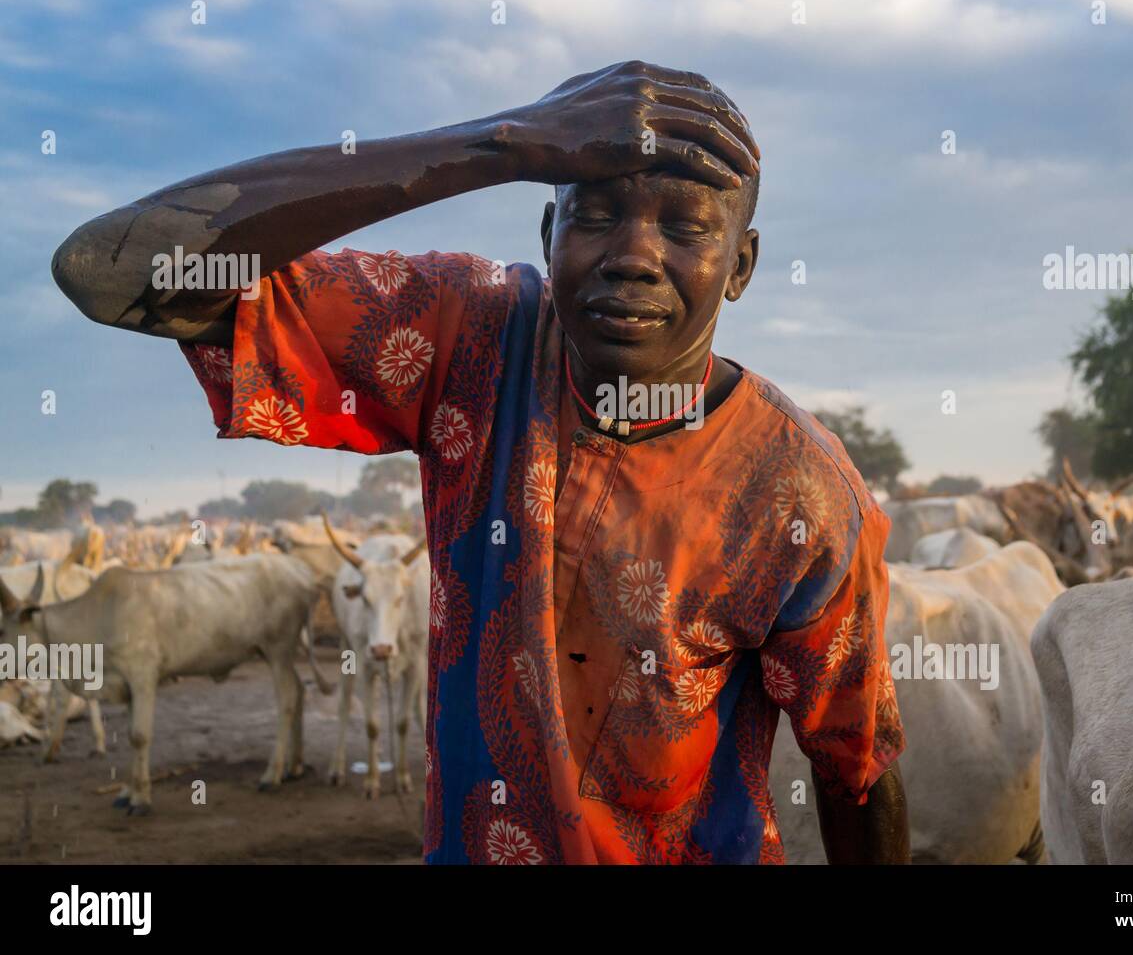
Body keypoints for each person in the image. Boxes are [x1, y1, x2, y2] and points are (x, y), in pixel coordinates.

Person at [51, 60, 908, 864]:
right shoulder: (470, 339)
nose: (635, 254)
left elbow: (857, 775)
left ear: (741, 267)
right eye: (598, 213)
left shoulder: (802, 491)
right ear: (549, 228)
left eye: (685, 227)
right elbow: (108, 270)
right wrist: (502, 142)